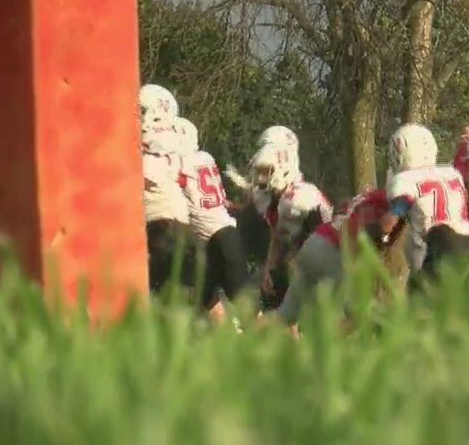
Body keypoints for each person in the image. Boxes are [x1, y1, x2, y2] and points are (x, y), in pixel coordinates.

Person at [275, 188, 396, 335]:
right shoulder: (391, 201)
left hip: (314, 242)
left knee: (284, 315)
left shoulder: (366, 197)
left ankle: (247, 337)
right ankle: (321, 352)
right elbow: (383, 226)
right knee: (354, 314)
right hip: (333, 250)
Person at [173, 117, 247, 325]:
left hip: (219, 239)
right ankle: (231, 340)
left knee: (247, 308)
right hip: (218, 237)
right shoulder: (204, 157)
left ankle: (284, 345)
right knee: (204, 296)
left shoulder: (182, 164)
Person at [387, 124, 469, 287]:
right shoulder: (452, 173)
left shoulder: (405, 181)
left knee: (419, 306)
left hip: (437, 254)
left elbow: (390, 223)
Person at [253, 141, 332, 314]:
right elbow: (276, 238)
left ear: (283, 170)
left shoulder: (300, 197)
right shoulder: (274, 200)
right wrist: (269, 269)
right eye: (260, 172)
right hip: (301, 256)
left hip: (327, 256)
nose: (260, 178)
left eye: (266, 172)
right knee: (266, 285)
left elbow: (322, 235)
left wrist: (295, 259)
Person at [138, 84, 191, 294]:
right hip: (176, 223)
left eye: (141, 111)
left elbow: (139, 180)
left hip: (163, 226)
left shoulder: (155, 151)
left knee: (149, 289)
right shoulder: (170, 143)